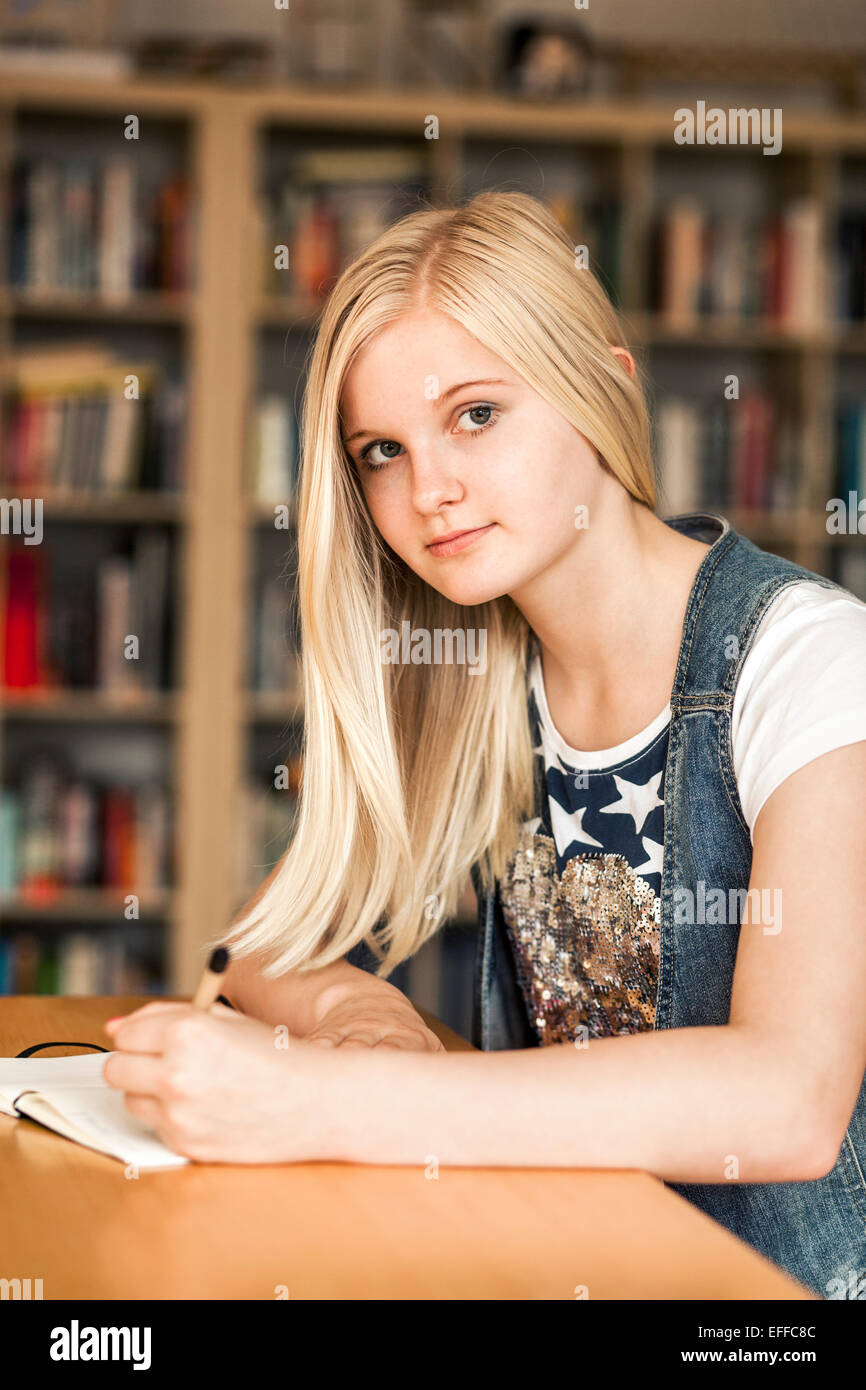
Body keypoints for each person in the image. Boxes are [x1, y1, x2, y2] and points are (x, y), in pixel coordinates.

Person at [103, 191, 866, 1300]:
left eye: (473, 415)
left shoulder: (809, 660)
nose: (428, 490)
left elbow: (785, 1101)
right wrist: (360, 1014)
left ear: (601, 382)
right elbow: (257, 948)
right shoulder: (476, 682)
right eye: (380, 449)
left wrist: (322, 1101)